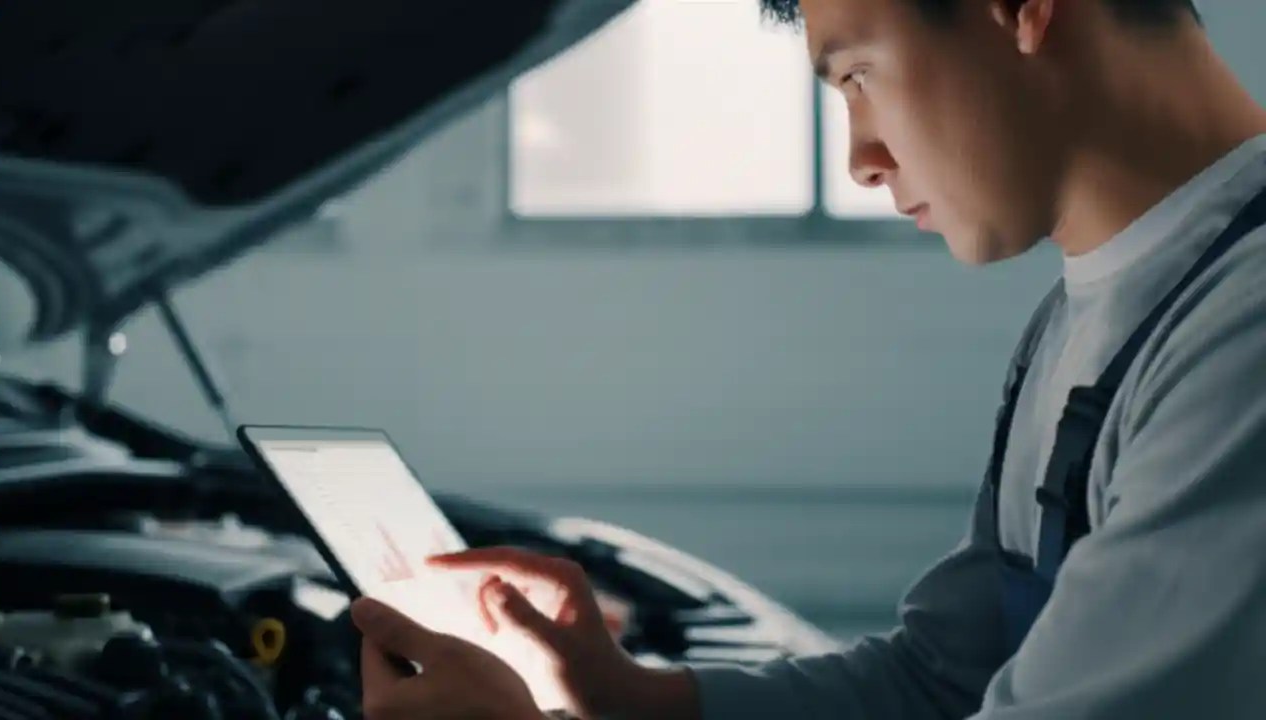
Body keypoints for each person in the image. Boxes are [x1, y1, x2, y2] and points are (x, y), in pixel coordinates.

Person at [349, 0, 1266, 717]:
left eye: (859, 74)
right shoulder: (1086, 315)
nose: (862, 158)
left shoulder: (1243, 341)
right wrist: (635, 698)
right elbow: (942, 685)